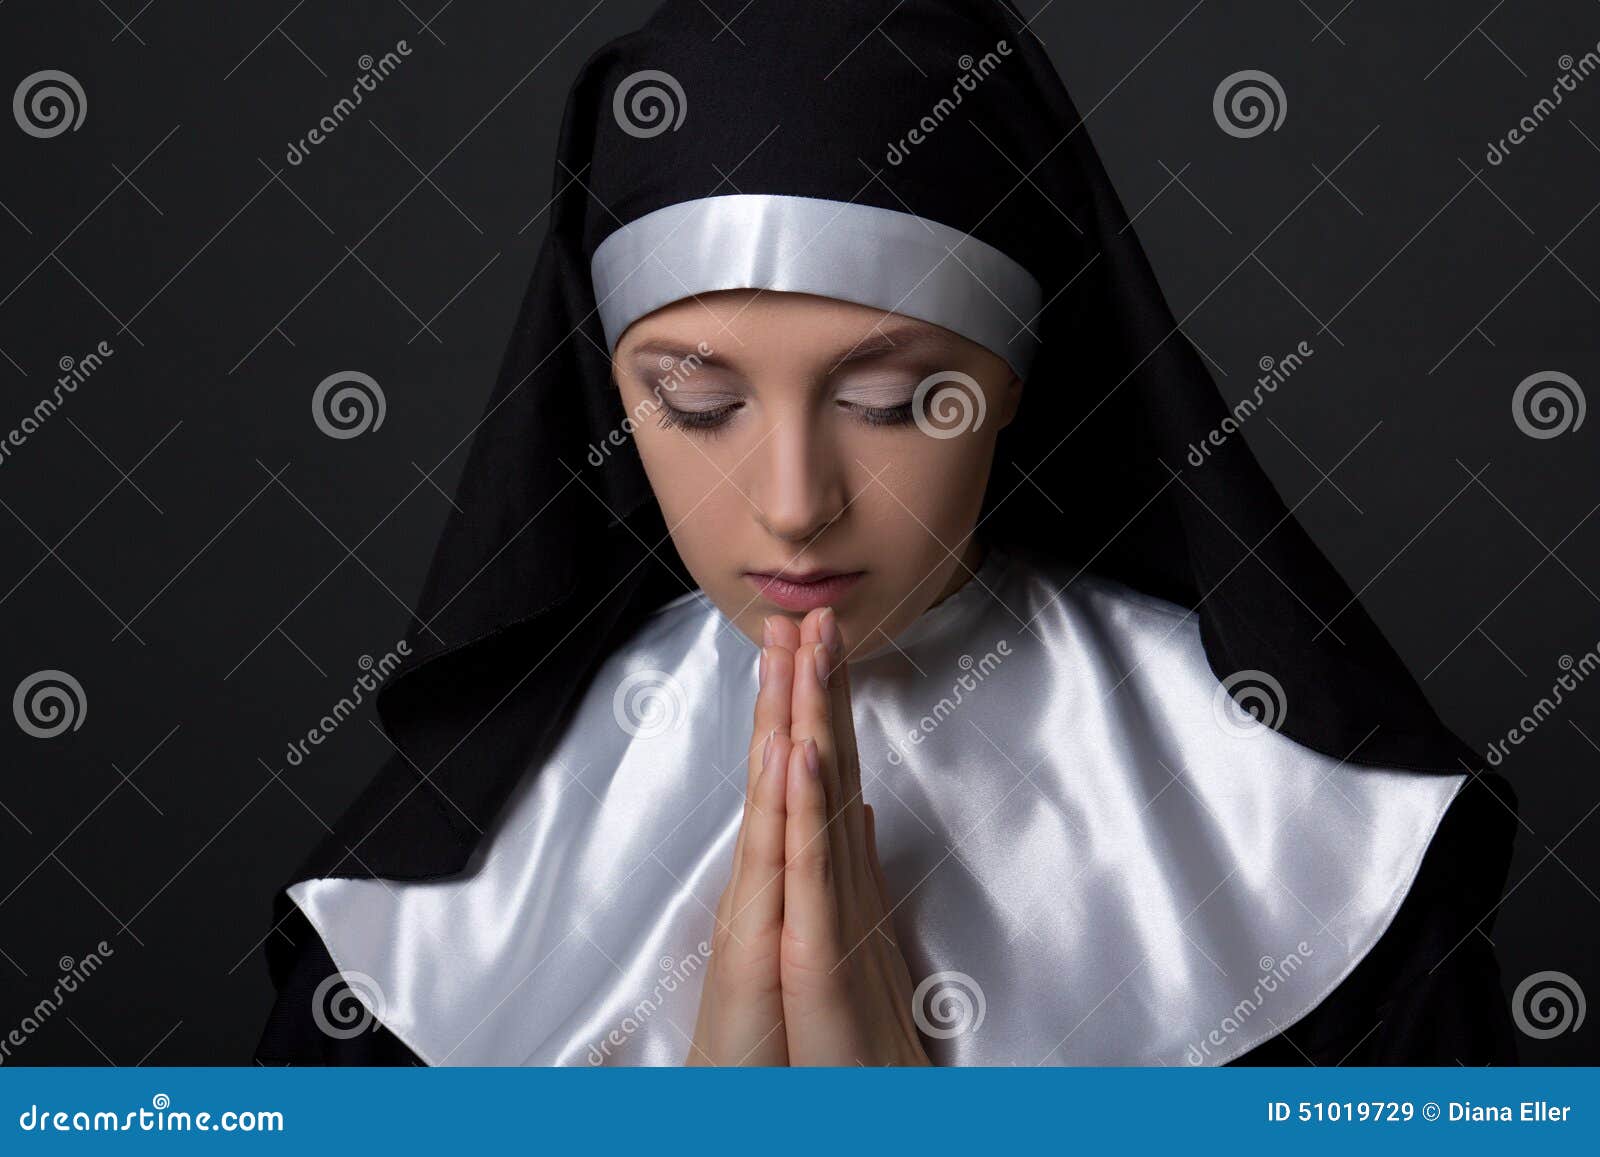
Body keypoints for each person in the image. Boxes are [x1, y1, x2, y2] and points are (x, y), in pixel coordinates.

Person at [254, 0, 1518, 1066]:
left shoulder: (1305, 844)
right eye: (695, 402)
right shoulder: (420, 926)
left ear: (1012, 379)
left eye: (893, 399)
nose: (794, 501)